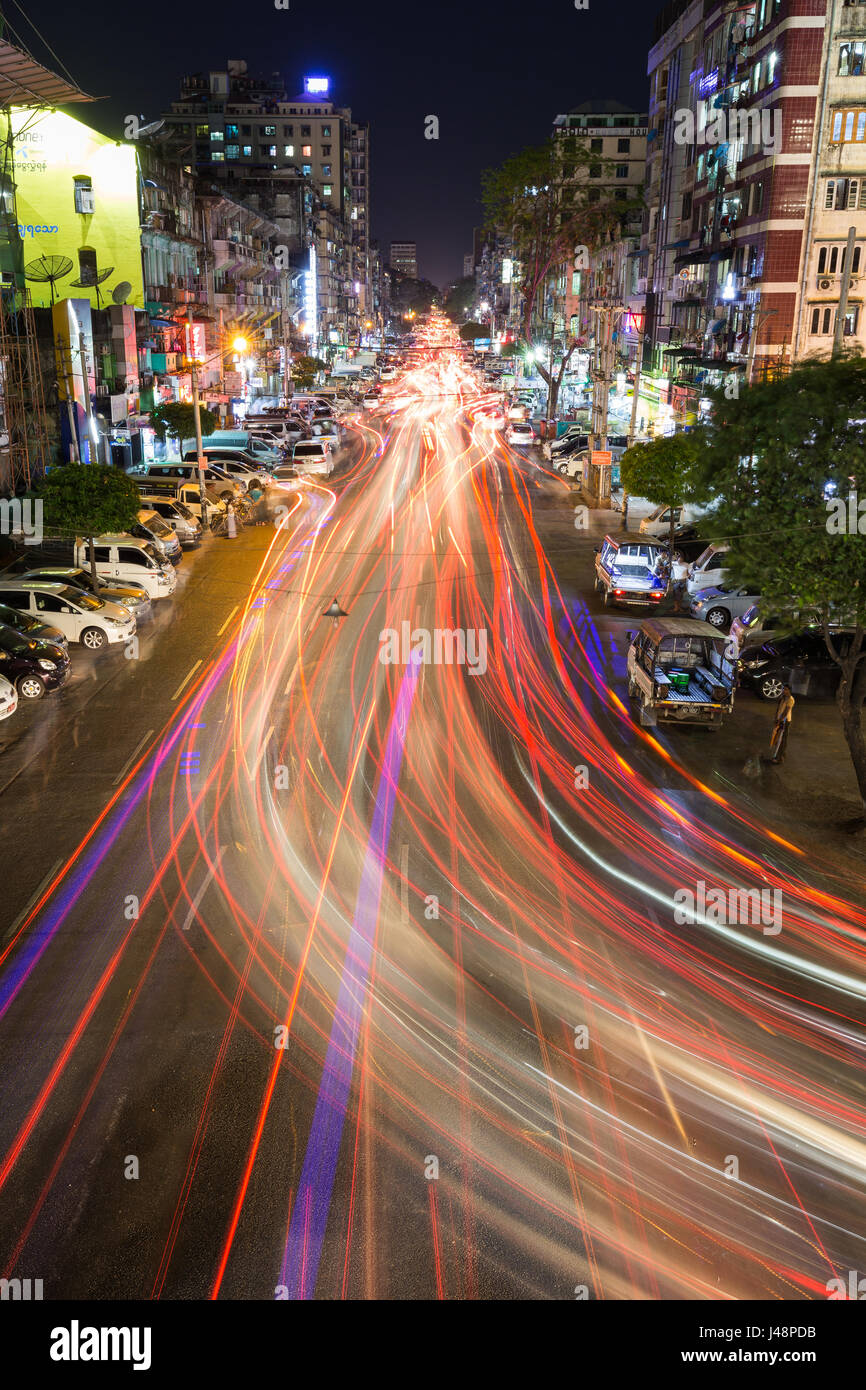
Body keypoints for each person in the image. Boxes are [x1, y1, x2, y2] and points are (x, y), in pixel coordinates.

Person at [770, 684, 795, 763]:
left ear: (790, 690)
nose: (784, 691)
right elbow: (779, 709)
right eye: (783, 689)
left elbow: (785, 712)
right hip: (780, 720)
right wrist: (776, 718)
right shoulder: (782, 698)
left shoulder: (790, 699)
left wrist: (779, 720)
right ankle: (781, 755)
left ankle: (779, 758)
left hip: (785, 721)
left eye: (786, 689)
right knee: (778, 739)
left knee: (782, 740)